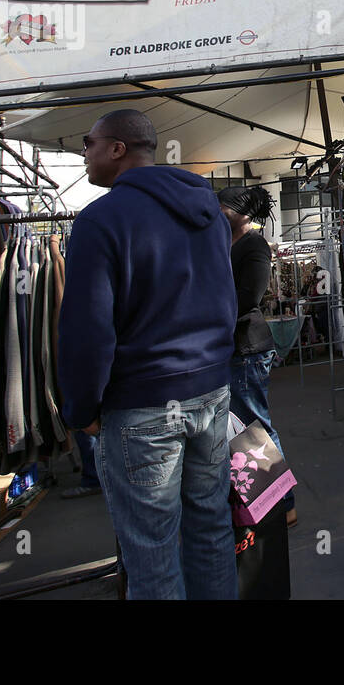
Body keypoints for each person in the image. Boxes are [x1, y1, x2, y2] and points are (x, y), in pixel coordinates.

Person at [58, 109, 238, 599]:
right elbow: (227, 300)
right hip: (210, 392)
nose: (83, 152)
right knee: (211, 528)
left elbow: (87, 330)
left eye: (88, 141)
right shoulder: (211, 215)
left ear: (117, 148)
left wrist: (80, 410)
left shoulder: (99, 221)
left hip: (142, 402)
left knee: (152, 551)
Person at [217, 185, 296, 528]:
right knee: (240, 429)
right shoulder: (223, 243)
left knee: (255, 429)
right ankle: (261, 503)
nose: (217, 213)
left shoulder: (254, 245)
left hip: (247, 349)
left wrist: (208, 314)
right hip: (230, 349)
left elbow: (249, 296)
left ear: (242, 214)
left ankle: (283, 504)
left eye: (223, 208)